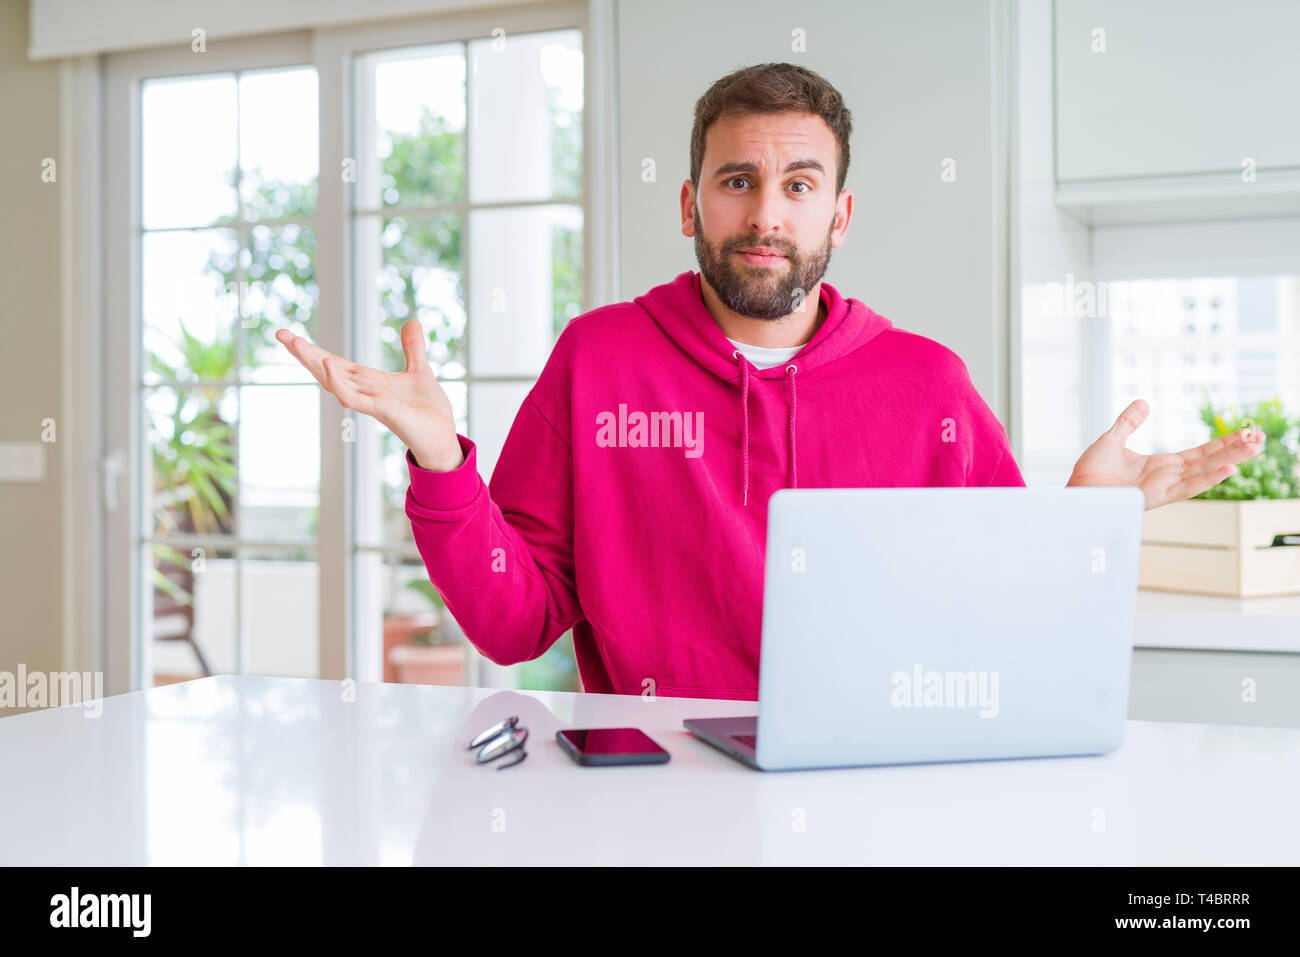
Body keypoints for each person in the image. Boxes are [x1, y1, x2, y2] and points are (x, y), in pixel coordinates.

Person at [277, 62, 1264, 701]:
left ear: (838, 216)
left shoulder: (927, 385)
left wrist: (1080, 519)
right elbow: (512, 623)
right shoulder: (599, 361)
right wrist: (441, 458)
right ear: (690, 204)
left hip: (868, 791)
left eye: (797, 184)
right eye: (737, 180)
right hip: (647, 795)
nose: (766, 214)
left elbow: (996, 617)